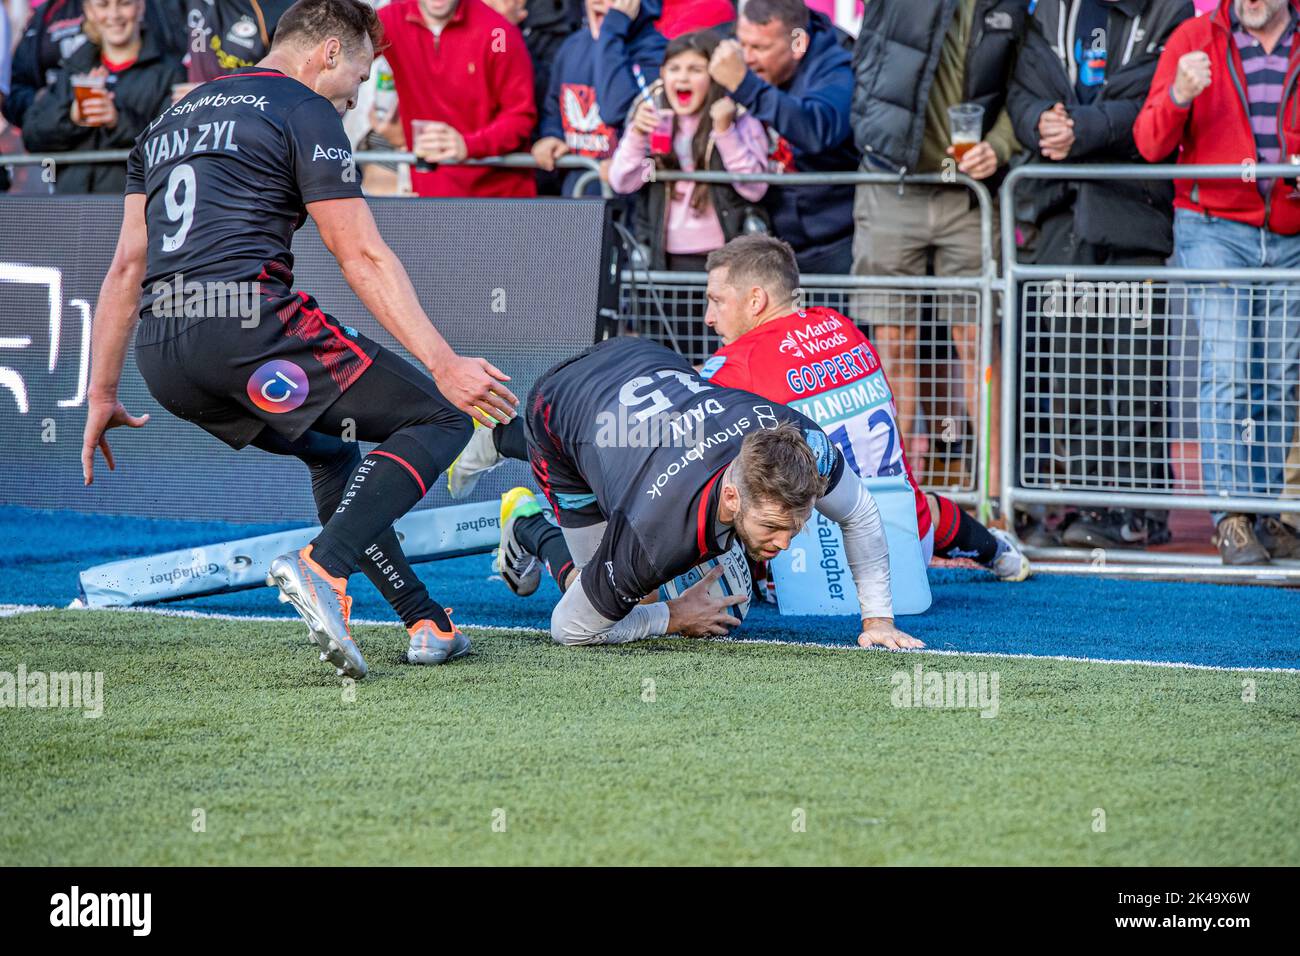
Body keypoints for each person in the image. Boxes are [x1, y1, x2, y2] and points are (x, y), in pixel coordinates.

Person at [80, 0, 518, 679]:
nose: (359, 96)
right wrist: (445, 362)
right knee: (440, 414)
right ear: (330, 54)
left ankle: (425, 621)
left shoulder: (169, 119)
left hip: (163, 358)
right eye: (365, 75)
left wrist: (102, 390)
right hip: (246, 329)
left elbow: (125, 267)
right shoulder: (301, 107)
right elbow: (362, 256)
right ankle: (323, 568)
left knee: (331, 452)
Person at [447, 335, 922, 649]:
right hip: (562, 405)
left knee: (634, 589)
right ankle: (520, 500)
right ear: (734, 498)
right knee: (603, 599)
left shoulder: (802, 444)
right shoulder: (653, 530)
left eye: (795, 527)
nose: (784, 545)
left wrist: (877, 621)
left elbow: (859, 512)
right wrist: (671, 617)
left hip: (647, 361)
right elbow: (568, 630)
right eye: (775, 528)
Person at [698, 235, 1029, 581]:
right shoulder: (842, 327)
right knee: (922, 502)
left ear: (755, 300)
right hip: (911, 543)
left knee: (726, 483)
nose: (709, 317)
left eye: (717, 301)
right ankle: (1000, 553)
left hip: (817, 563)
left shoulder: (736, 364)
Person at [1006, 0, 1193, 550]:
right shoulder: (1052, 11)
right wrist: (1038, 119)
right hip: (1061, 217)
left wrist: (1082, 125)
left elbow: (1153, 102)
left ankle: (1140, 508)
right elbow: (1023, 88)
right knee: (1074, 372)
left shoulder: (1168, 10)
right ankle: (1088, 502)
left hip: (1134, 213)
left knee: (1135, 374)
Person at [1134, 0, 1300, 565]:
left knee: (1279, 377)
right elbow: (1149, 142)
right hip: (1213, 225)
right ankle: (1230, 516)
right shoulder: (1193, 36)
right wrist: (1179, 94)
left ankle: (1266, 509)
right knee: (1228, 369)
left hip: (1289, 229)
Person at [850, 0, 1028, 488]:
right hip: (892, 181)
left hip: (969, 190)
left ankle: (995, 502)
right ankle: (894, 501)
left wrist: (1002, 144)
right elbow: (865, 61)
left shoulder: (1010, 6)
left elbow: (1028, 82)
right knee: (893, 343)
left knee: (976, 345)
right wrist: (870, 131)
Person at [709, 0, 857, 275]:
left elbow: (817, 129)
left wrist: (745, 86)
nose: (747, 58)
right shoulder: (729, 50)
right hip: (764, 241)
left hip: (833, 241)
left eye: (760, 48)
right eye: (743, 44)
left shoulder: (835, 63)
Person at [607, 30, 770, 272]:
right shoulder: (651, 116)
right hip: (665, 258)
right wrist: (637, 135)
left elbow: (755, 188)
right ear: (662, 74)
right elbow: (621, 182)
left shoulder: (740, 115)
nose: (683, 78)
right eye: (674, 69)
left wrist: (725, 132)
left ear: (714, 75)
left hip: (728, 260)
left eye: (695, 70)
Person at [21, 0, 183, 194]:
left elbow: (173, 147)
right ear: (88, 11)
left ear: (141, 7)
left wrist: (117, 122)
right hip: (69, 209)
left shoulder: (169, 72)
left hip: (132, 209)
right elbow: (32, 136)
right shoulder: (74, 66)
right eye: (103, 5)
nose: (114, 15)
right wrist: (71, 117)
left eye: (124, 4)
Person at [378, 0, 537, 197]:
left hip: (499, 196)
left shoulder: (498, 31)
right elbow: (345, 52)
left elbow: (521, 116)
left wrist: (469, 145)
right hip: (430, 193)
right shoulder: (389, 20)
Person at [531, 0, 666, 196]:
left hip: (630, 206)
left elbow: (615, 110)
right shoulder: (572, 46)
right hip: (578, 196)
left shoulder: (654, 52)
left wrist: (612, 31)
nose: (596, 1)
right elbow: (554, 105)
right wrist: (553, 135)